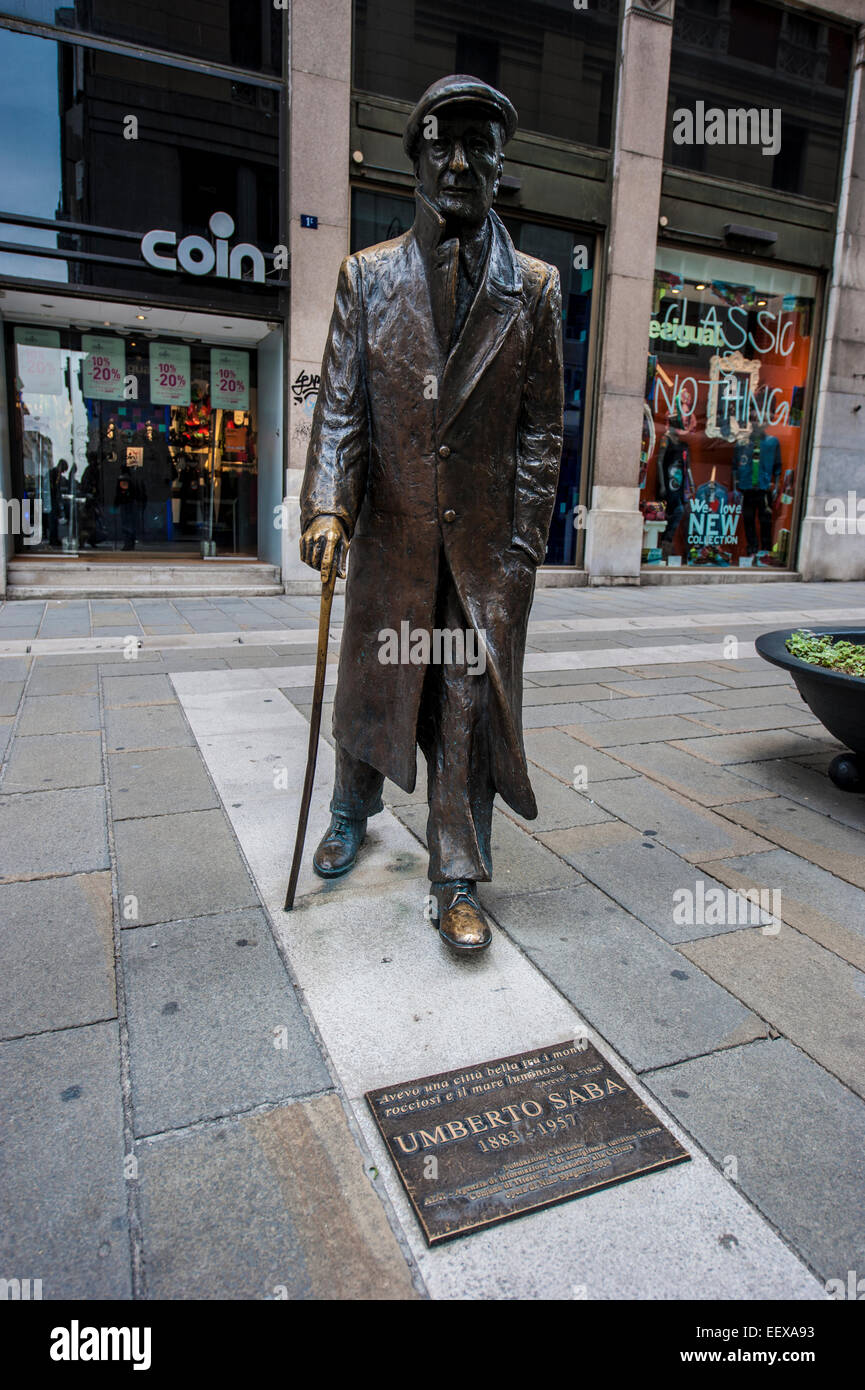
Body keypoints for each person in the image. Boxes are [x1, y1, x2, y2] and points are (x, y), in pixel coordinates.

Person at [299, 74, 564, 956]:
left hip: (485, 553)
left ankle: (457, 875)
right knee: (372, 686)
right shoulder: (366, 278)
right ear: (415, 154)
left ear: (499, 163)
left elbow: (539, 432)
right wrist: (330, 509)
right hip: (392, 537)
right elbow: (339, 407)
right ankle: (349, 810)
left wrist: (524, 541)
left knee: (462, 709)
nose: (459, 162)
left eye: (478, 146)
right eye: (443, 143)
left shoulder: (535, 288)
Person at [733, 415, 781, 556]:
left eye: (760, 421)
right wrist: (736, 489)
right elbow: (735, 468)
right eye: (754, 420)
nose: (757, 424)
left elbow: (777, 466)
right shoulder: (742, 443)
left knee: (765, 522)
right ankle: (752, 550)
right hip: (746, 489)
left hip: (764, 489)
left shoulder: (772, 443)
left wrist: (776, 487)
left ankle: (765, 552)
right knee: (748, 521)